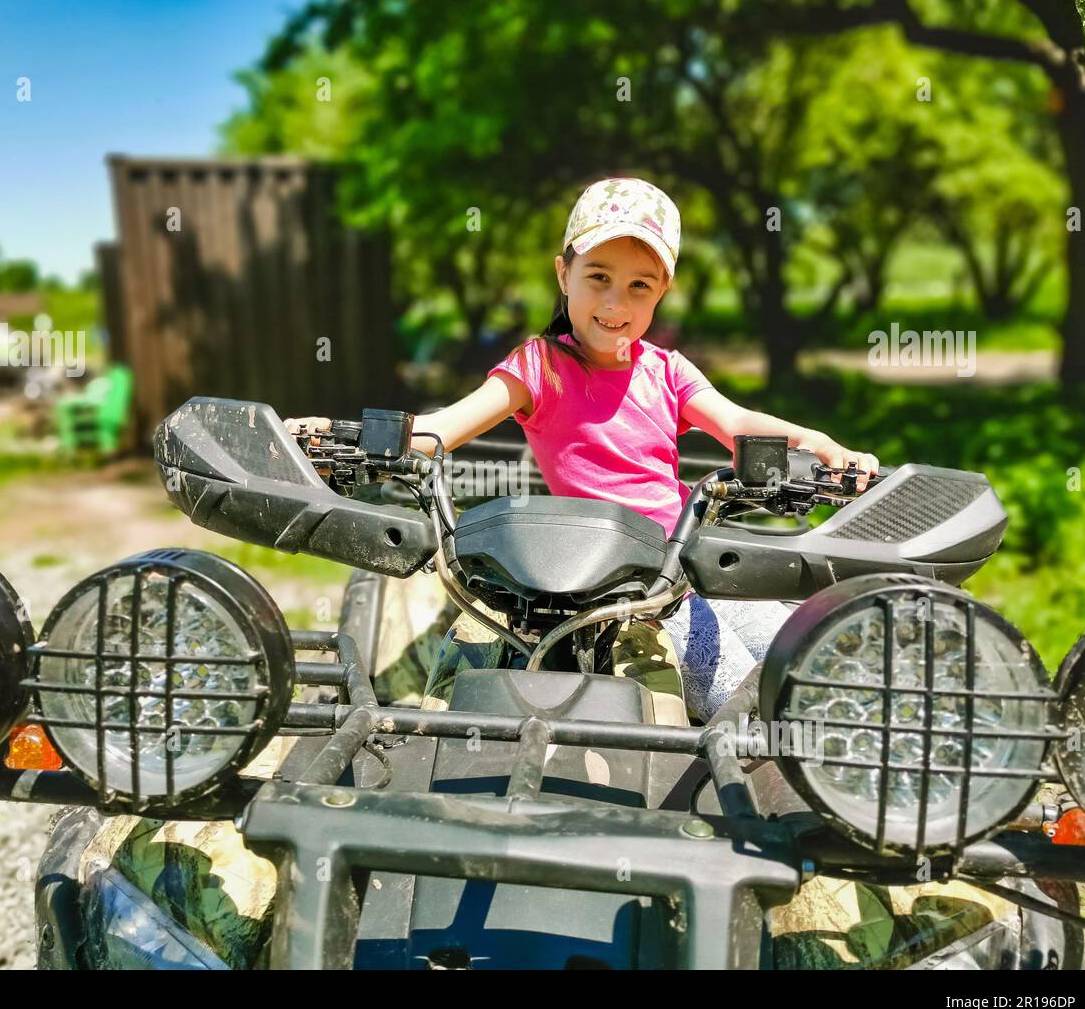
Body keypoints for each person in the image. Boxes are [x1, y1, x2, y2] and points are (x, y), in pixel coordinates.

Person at [285, 177, 878, 720]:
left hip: (691, 561)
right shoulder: (540, 366)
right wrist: (340, 436)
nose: (615, 304)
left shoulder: (667, 370)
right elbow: (440, 428)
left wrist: (816, 443)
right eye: (598, 277)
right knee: (752, 707)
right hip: (627, 590)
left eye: (639, 285)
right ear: (563, 273)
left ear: (663, 290)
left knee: (814, 663)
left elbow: (739, 424)